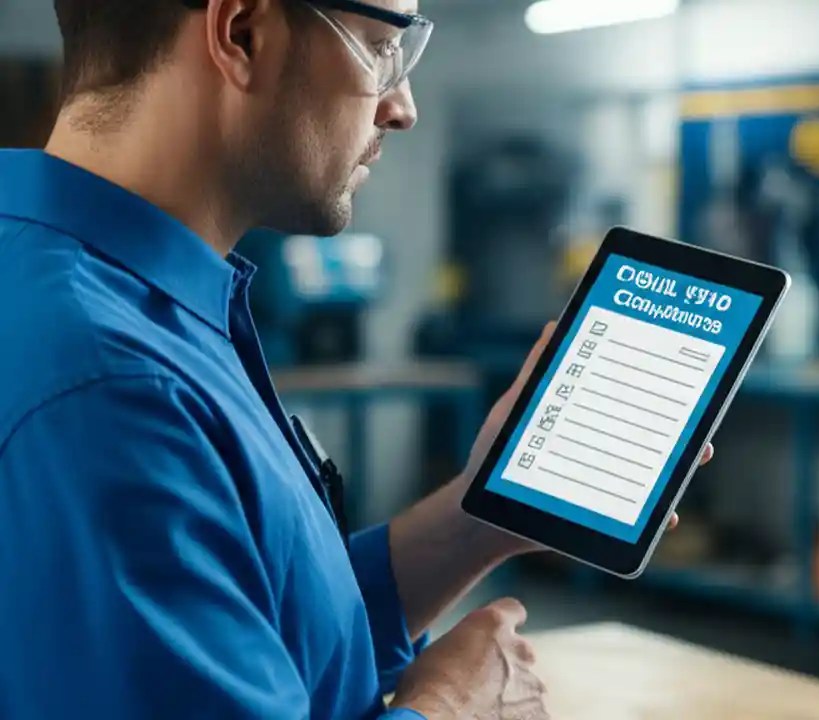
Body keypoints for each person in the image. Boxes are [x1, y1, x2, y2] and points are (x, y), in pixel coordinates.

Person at [0, 1, 707, 718]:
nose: (401, 107)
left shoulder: (99, 290)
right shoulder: (110, 388)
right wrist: (453, 705)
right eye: (379, 48)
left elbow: (261, 634)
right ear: (242, 32)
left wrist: (483, 513)